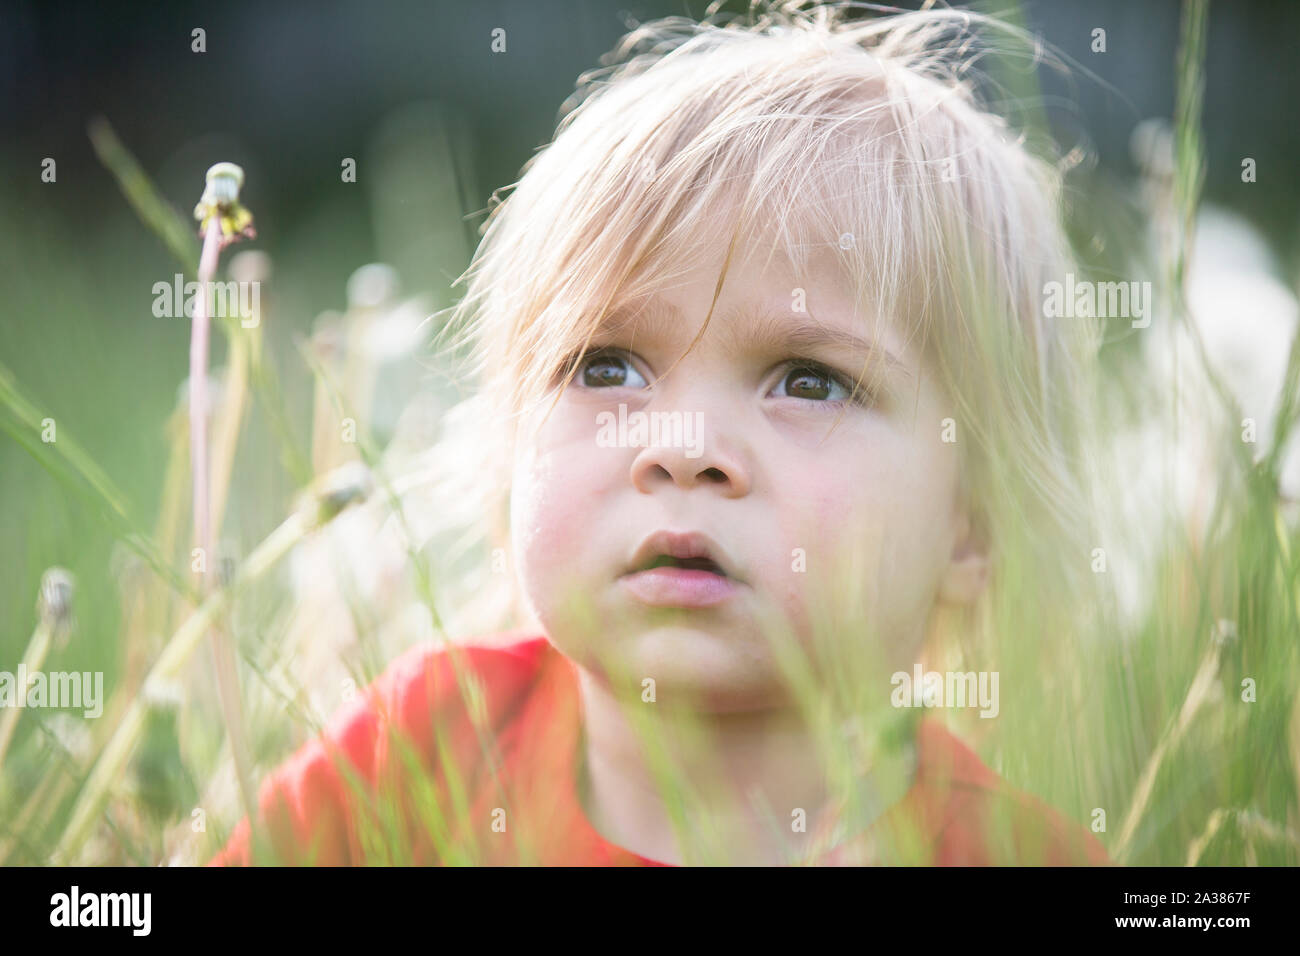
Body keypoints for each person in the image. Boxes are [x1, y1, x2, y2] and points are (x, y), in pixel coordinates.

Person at [210, 0, 1110, 866]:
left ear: (973, 523)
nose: (681, 446)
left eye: (810, 381)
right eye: (606, 367)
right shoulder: (420, 759)